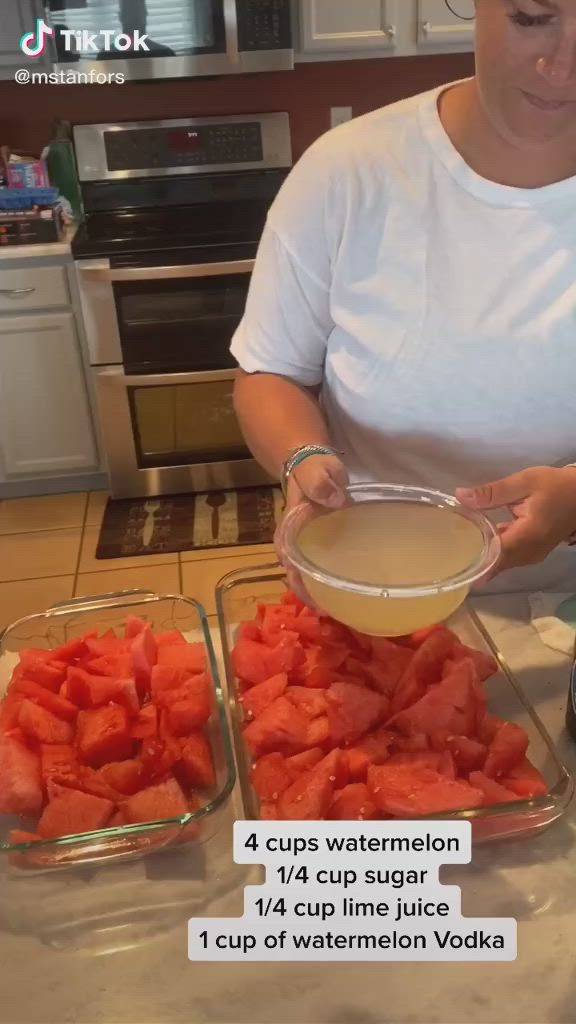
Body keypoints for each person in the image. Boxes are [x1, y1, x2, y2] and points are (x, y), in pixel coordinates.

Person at [231, 0, 576, 595]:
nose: (563, 66)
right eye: (531, 18)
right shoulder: (350, 168)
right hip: (368, 592)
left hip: (558, 605)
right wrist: (301, 456)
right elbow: (271, 373)